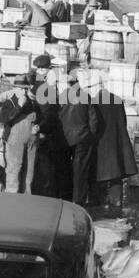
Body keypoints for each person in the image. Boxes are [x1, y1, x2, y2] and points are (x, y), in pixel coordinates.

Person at [0, 74, 41, 194]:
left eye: (25, 89)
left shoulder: (32, 102)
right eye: (20, 88)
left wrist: (38, 126)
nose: (23, 91)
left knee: (29, 170)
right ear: (14, 89)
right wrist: (19, 106)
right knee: (14, 169)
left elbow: (39, 116)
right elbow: (5, 119)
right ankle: (12, 197)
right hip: (13, 139)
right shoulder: (9, 102)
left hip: (31, 140)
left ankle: (27, 196)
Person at [60, 71, 101, 206]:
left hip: (65, 138)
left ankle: (65, 196)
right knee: (81, 169)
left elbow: (57, 116)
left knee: (65, 168)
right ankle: (78, 199)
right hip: (82, 137)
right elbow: (93, 119)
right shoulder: (86, 96)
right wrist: (91, 135)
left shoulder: (62, 96)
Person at [94, 94, 138, 211]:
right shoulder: (117, 101)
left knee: (100, 173)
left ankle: (102, 200)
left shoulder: (94, 101)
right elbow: (123, 120)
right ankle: (116, 200)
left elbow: (93, 122)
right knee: (116, 172)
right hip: (116, 139)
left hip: (101, 141)